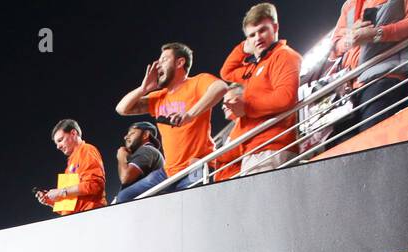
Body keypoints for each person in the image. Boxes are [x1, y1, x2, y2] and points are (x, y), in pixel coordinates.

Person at [116, 42, 229, 190]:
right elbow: (122, 109)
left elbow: (221, 87)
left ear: (180, 62)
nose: (158, 65)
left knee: (188, 201)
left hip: (195, 165)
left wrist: (190, 114)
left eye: (164, 60)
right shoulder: (159, 97)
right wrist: (143, 89)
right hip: (168, 171)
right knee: (126, 196)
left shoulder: (197, 82)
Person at [217, 4, 303, 177]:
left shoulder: (284, 55)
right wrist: (243, 47)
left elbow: (286, 97)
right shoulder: (257, 66)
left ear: (275, 28)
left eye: (262, 30)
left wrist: (247, 108)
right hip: (255, 150)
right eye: (252, 35)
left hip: (271, 147)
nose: (258, 38)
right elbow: (226, 72)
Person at [330, 0, 408, 135]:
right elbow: (334, 48)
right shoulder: (350, 4)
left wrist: (376, 33)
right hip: (350, 87)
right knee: (344, 148)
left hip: (386, 75)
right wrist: (350, 39)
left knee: (371, 139)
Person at [34, 119, 107, 215]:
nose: (58, 147)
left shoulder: (87, 150)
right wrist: (50, 200)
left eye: (60, 140)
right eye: (56, 143)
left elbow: (95, 185)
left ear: (73, 133)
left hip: (91, 215)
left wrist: (60, 192)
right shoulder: (70, 164)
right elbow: (69, 205)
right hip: (78, 219)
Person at [113, 121, 168, 202]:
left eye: (132, 133)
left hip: (147, 205)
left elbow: (125, 178)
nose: (126, 137)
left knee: (123, 196)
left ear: (145, 135)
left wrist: (121, 157)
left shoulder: (146, 150)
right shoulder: (149, 151)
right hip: (150, 204)